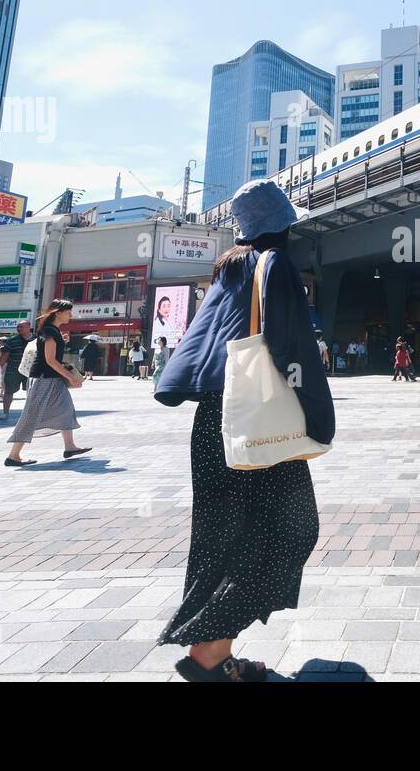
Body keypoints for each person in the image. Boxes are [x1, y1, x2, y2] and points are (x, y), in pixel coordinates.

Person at [153, 178, 333, 682]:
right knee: (292, 530)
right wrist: (320, 417)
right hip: (254, 420)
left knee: (225, 535)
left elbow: (199, 349)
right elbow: (291, 347)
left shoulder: (229, 269)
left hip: (214, 420)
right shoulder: (275, 265)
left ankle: (212, 650)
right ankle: (210, 649)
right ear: (282, 223)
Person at [5, 299, 91, 466]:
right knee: (32, 415)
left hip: (52, 378)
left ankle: (70, 447)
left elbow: (50, 353)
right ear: (58, 312)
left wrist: (61, 342)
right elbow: (50, 360)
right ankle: (13, 456)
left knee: (66, 409)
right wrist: (71, 376)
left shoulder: (53, 332)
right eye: (68, 312)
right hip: (43, 378)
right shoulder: (50, 332)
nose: (70, 315)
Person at [0, 321, 33, 420]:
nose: (19, 329)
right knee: (8, 392)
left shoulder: (36, 339)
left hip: (30, 371)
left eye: (21, 327)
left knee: (32, 392)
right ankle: (5, 413)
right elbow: (5, 355)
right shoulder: (12, 340)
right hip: (13, 370)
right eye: (18, 327)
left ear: (28, 327)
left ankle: (31, 414)